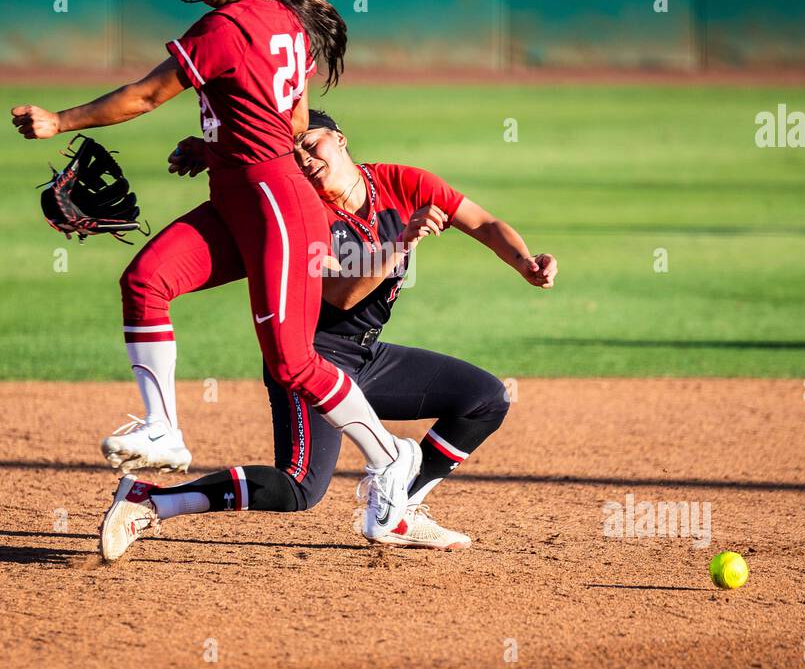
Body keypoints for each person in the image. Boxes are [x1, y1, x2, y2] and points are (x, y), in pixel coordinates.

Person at [8, 0, 421, 559]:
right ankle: (163, 429)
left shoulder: (223, 27)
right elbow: (290, 124)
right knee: (146, 280)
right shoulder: (283, 20)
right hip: (242, 195)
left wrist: (61, 120)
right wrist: (216, 149)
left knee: (292, 362)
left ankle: (390, 455)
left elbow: (145, 96)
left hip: (276, 206)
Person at [99, 109, 558, 553]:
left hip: (366, 356)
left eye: (310, 142)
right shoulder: (299, 212)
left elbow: (483, 222)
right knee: (300, 487)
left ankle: (398, 509)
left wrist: (525, 262)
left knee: (484, 399)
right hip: (307, 359)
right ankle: (151, 500)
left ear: (339, 138)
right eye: (293, 155)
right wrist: (401, 242)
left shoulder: (399, 181)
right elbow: (342, 294)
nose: (304, 158)